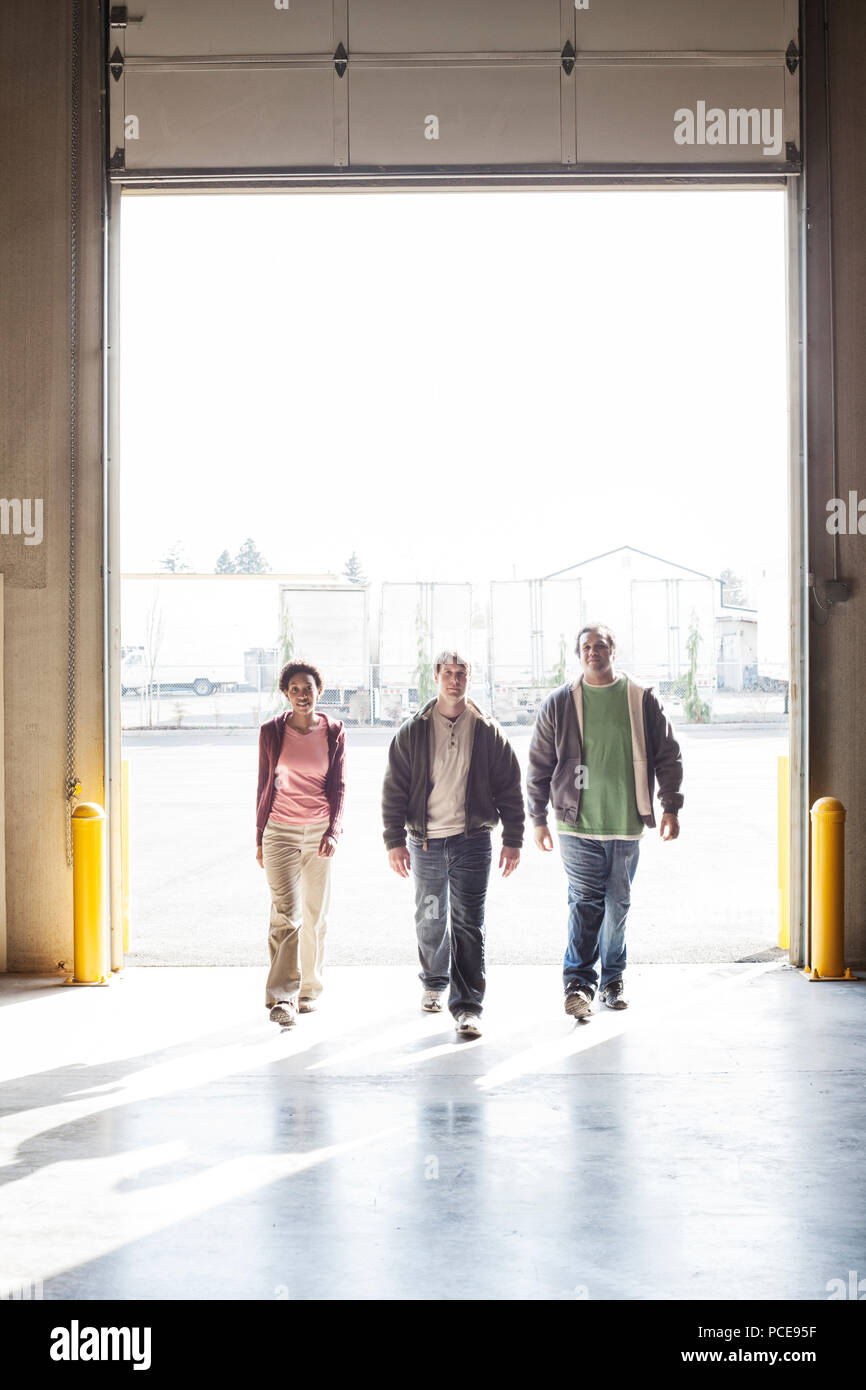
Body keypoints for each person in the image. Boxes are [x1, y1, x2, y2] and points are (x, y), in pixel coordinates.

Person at [527, 624, 683, 1020]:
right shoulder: (561, 702)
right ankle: (578, 983)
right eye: (586, 647)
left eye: (600, 646)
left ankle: (613, 980)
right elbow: (540, 764)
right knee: (585, 902)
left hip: (626, 825)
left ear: (613, 650)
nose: (592, 652)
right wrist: (538, 818)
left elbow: (668, 755)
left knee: (618, 904)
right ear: (578, 654)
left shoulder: (640, 698)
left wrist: (670, 806)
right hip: (576, 825)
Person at [382, 651, 524, 1037]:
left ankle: (468, 1007)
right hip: (425, 845)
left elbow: (510, 788)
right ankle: (433, 980)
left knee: (468, 925)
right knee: (430, 918)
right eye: (448, 673)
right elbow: (393, 789)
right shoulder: (413, 731)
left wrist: (513, 838)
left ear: (469, 679)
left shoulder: (487, 730)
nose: (455, 680)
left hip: (472, 843)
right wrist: (394, 840)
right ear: (436, 677)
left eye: (462, 674)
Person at [256, 661, 346, 1027]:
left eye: (307, 688)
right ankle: (283, 997)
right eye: (294, 689)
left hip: (318, 832)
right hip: (279, 830)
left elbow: (338, 785)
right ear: (286, 694)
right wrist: (259, 835)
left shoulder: (334, 732)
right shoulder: (271, 732)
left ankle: (309, 989)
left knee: (314, 915)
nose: (302, 695)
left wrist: (334, 831)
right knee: (285, 914)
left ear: (318, 691)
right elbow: (263, 783)